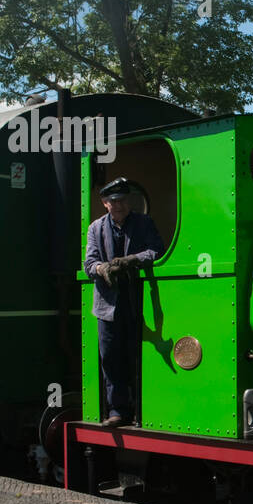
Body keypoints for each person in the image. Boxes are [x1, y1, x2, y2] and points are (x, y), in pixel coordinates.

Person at [84, 177, 165, 426]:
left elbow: (156, 250)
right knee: (110, 358)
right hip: (107, 306)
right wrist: (102, 268)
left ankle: (142, 410)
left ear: (129, 202)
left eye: (122, 200)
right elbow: (89, 264)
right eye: (113, 201)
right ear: (105, 203)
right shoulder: (95, 229)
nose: (118, 205)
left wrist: (131, 260)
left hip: (134, 301)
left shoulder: (143, 222)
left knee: (136, 357)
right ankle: (117, 411)